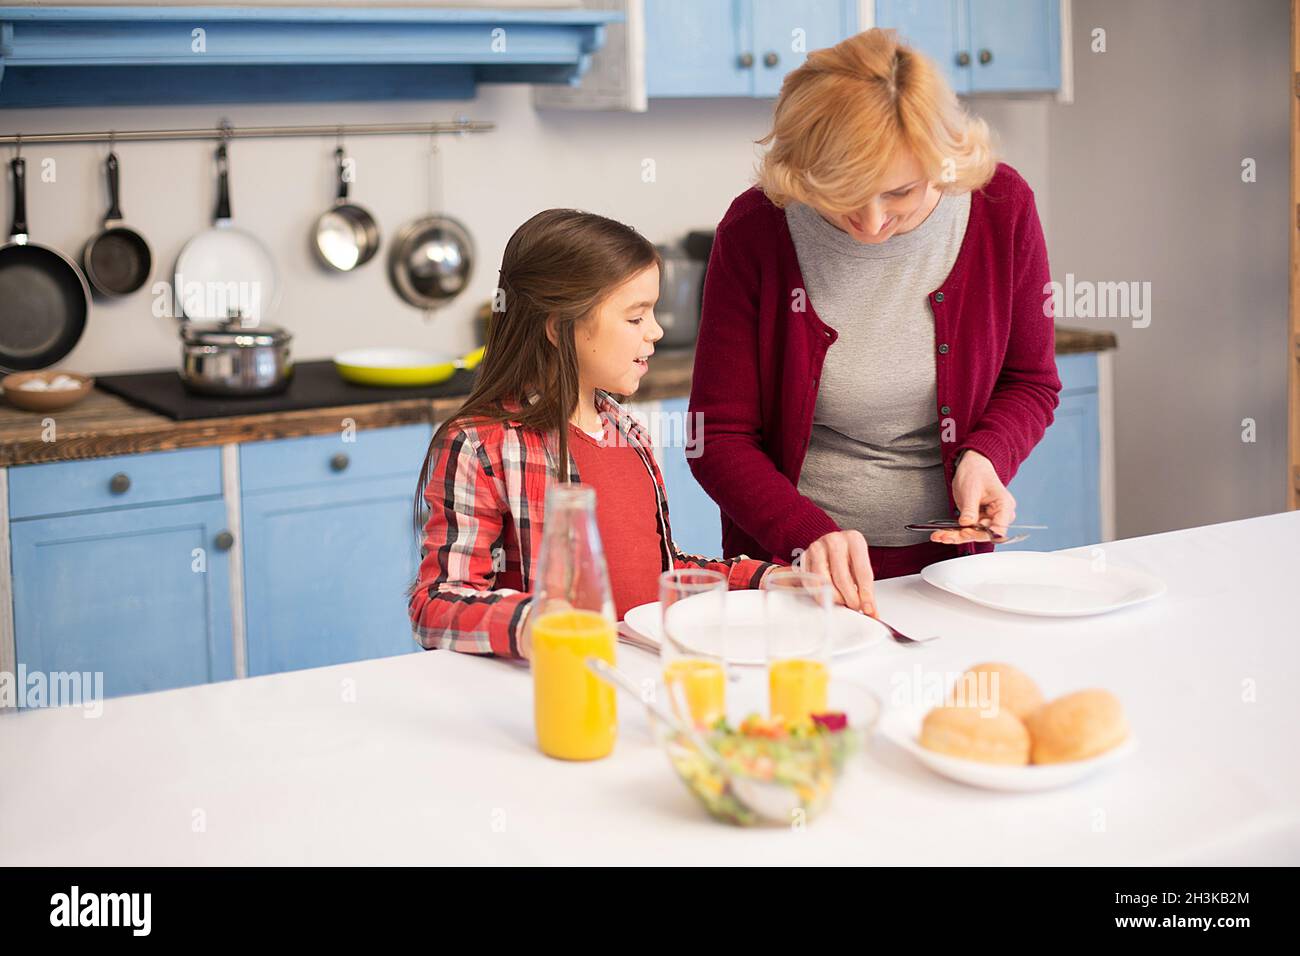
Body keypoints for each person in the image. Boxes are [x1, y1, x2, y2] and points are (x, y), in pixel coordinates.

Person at [689, 28, 1062, 615]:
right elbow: (716, 436)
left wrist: (986, 456)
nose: (870, 221)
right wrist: (806, 532)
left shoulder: (1001, 209)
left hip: (951, 570)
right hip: (797, 575)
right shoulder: (756, 229)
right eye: (840, 193)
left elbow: (1031, 381)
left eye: (899, 193)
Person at [408, 209, 777, 661]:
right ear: (560, 329)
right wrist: (536, 623)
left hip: (641, 679)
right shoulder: (482, 445)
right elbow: (437, 603)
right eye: (636, 318)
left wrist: (768, 580)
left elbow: (662, 570)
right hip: (550, 689)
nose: (657, 331)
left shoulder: (629, 433)